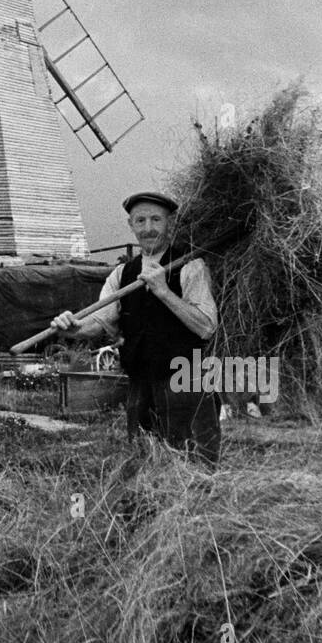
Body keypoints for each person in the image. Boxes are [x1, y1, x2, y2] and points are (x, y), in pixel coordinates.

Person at [53, 192, 221, 466]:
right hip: (141, 381)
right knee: (145, 461)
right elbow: (100, 321)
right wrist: (73, 328)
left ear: (170, 223)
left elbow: (206, 327)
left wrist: (164, 291)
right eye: (140, 220)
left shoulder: (191, 266)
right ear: (131, 225)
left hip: (187, 380)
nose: (148, 228)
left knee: (193, 464)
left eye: (156, 219)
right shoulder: (122, 274)